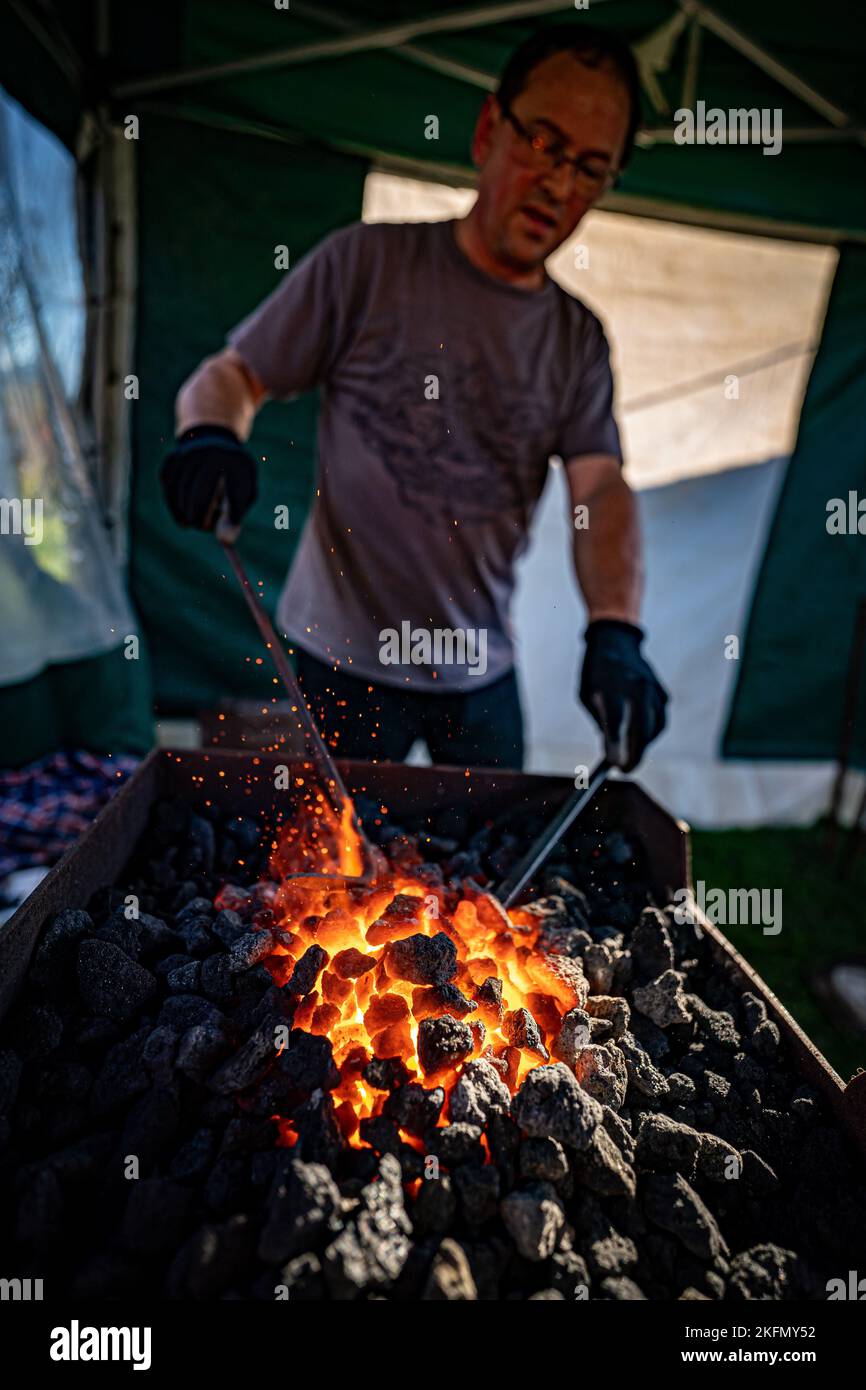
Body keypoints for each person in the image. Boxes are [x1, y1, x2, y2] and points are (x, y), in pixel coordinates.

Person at [161, 23, 667, 772]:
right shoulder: (364, 264)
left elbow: (599, 483)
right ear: (490, 129)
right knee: (327, 883)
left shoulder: (577, 340)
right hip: (338, 663)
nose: (559, 184)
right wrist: (209, 434)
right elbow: (236, 374)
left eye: (590, 168)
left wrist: (616, 630)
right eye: (545, 144)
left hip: (480, 670)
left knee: (491, 882)